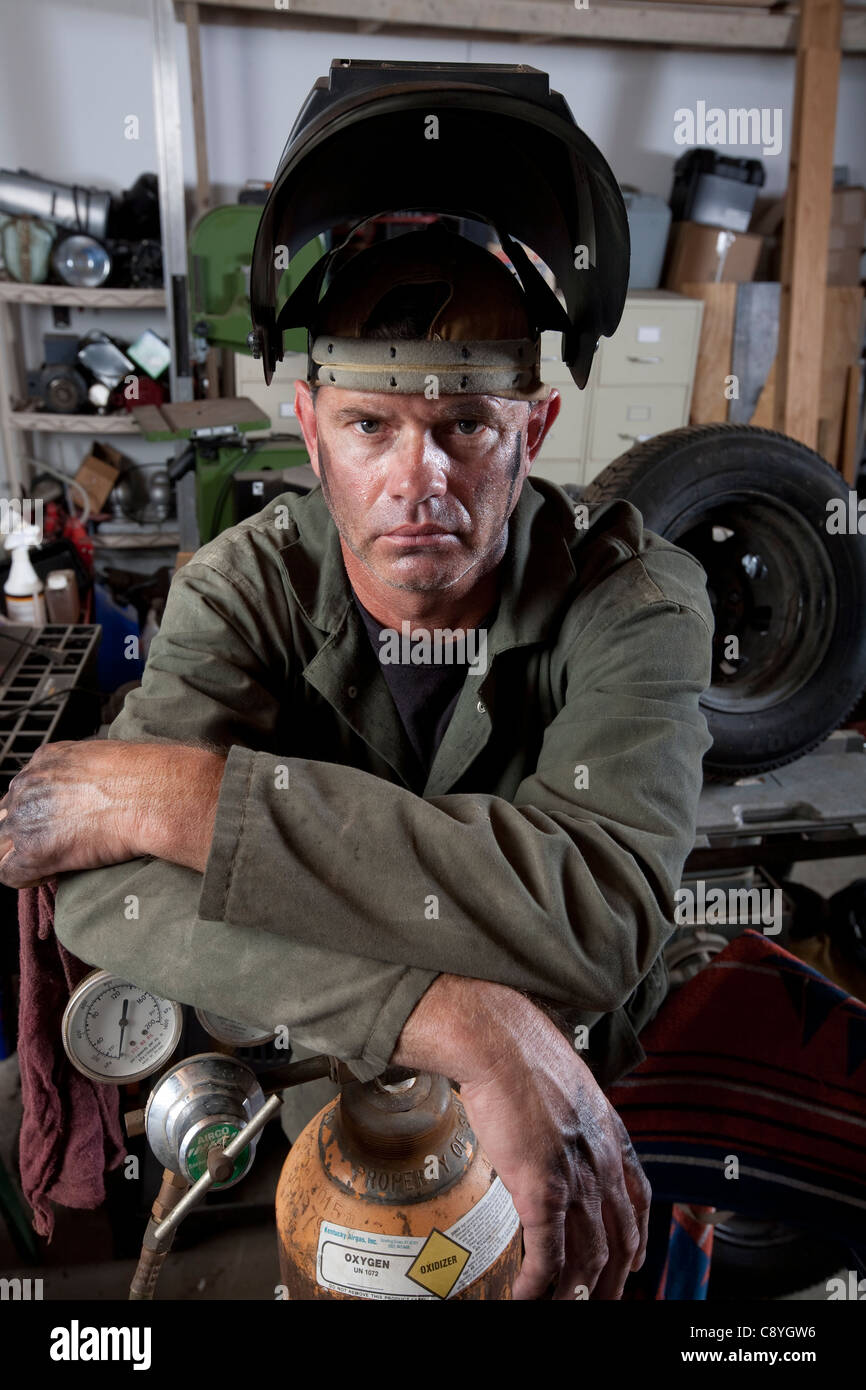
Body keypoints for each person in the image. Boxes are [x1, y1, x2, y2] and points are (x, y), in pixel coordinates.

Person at [0, 226, 713, 1300]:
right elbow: (107, 899)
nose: (416, 480)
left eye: (464, 424)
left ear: (535, 428)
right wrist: (453, 1018)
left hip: (574, 1096)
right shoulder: (241, 588)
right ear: (311, 432)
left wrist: (192, 799)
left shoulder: (632, 598)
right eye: (370, 425)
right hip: (326, 1101)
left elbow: (595, 912)